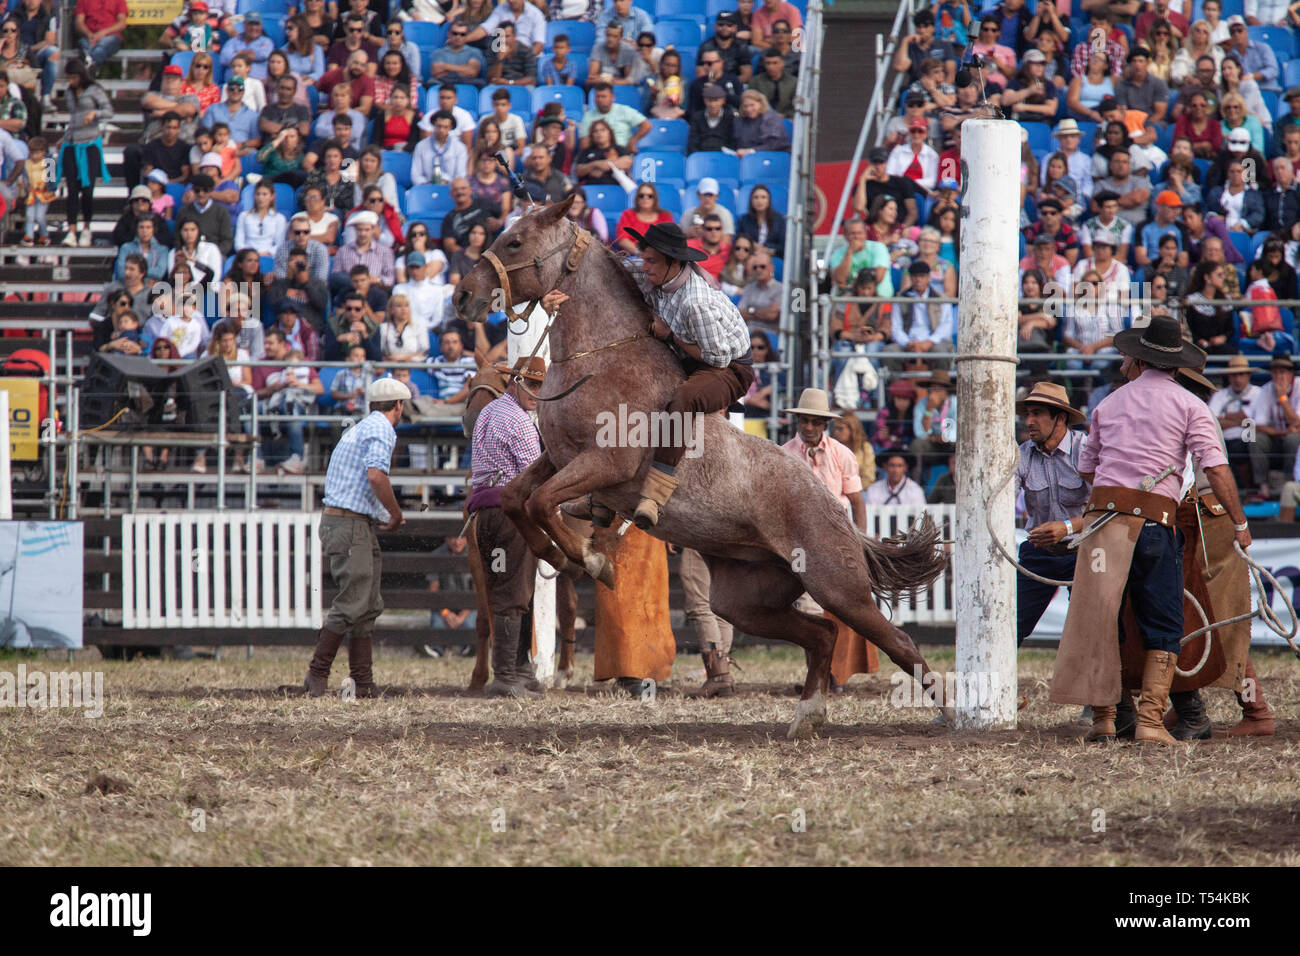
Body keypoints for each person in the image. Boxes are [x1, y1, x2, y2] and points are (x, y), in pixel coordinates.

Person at [1051, 313, 1249, 746]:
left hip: (1103, 521)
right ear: (1176, 365)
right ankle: (1151, 722)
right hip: (1155, 523)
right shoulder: (1191, 406)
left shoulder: (1107, 404)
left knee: (1102, 618)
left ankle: (1106, 720)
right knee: (1163, 619)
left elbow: (1088, 470)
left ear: (1138, 360)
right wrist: (1240, 524)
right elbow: (1215, 470)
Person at [626, 222, 754, 527]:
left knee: (684, 398)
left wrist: (669, 336)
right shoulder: (658, 274)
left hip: (729, 368)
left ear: (674, 262)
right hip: (691, 356)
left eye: (651, 261)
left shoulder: (695, 302)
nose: (644, 268)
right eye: (644, 259)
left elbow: (718, 357)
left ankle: (655, 494)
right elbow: (621, 267)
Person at [305, 376, 408, 698]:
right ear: (398, 406)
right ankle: (317, 673)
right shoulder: (382, 429)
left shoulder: (360, 428)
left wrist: (381, 514)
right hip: (350, 525)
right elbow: (376, 475)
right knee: (353, 602)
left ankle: (362, 682)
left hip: (349, 521)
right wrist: (395, 513)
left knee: (366, 603)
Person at [780, 387, 877, 692]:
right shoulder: (784, 454)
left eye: (815, 422)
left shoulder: (842, 454)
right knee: (808, 610)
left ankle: (831, 676)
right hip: (800, 541)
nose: (809, 427)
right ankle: (820, 677)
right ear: (799, 422)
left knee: (837, 607)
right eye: (805, 421)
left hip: (836, 538)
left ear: (824, 424)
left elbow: (857, 501)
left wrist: (860, 541)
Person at [467, 354, 553, 697]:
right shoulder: (519, 422)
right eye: (531, 384)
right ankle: (505, 675)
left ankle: (519, 670)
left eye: (540, 386)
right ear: (515, 382)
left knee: (513, 587)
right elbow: (534, 473)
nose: (536, 392)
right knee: (512, 591)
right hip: (510, 515)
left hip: (484, 514)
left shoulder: (489, 412)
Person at [1013, 381, 1091, 647]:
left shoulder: (1086, 450)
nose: (1029, 421)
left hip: (1085, 550)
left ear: (1060, 418)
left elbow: (1105, 508)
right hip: (1040, 551)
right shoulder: (1021, 454)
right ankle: (993, 685)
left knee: (1090, 628)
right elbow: (1003, 501)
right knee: (1011, 624)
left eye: (1036, 414)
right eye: (1027, 415)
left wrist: (1067, 527)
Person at [1246, 354, 1300, 501]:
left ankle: (1289, 487)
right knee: (1254, 438)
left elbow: (1297, 423)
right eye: (1275, 372)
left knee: (1293, 439)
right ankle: (1263, 488)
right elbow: (1258, 425)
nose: (1278, 376)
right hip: (1277, 437)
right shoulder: (1266, 389)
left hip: (1295, 440)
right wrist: (1283, 431)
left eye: (1282, 372)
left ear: (1290, 374)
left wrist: (1282, 398)